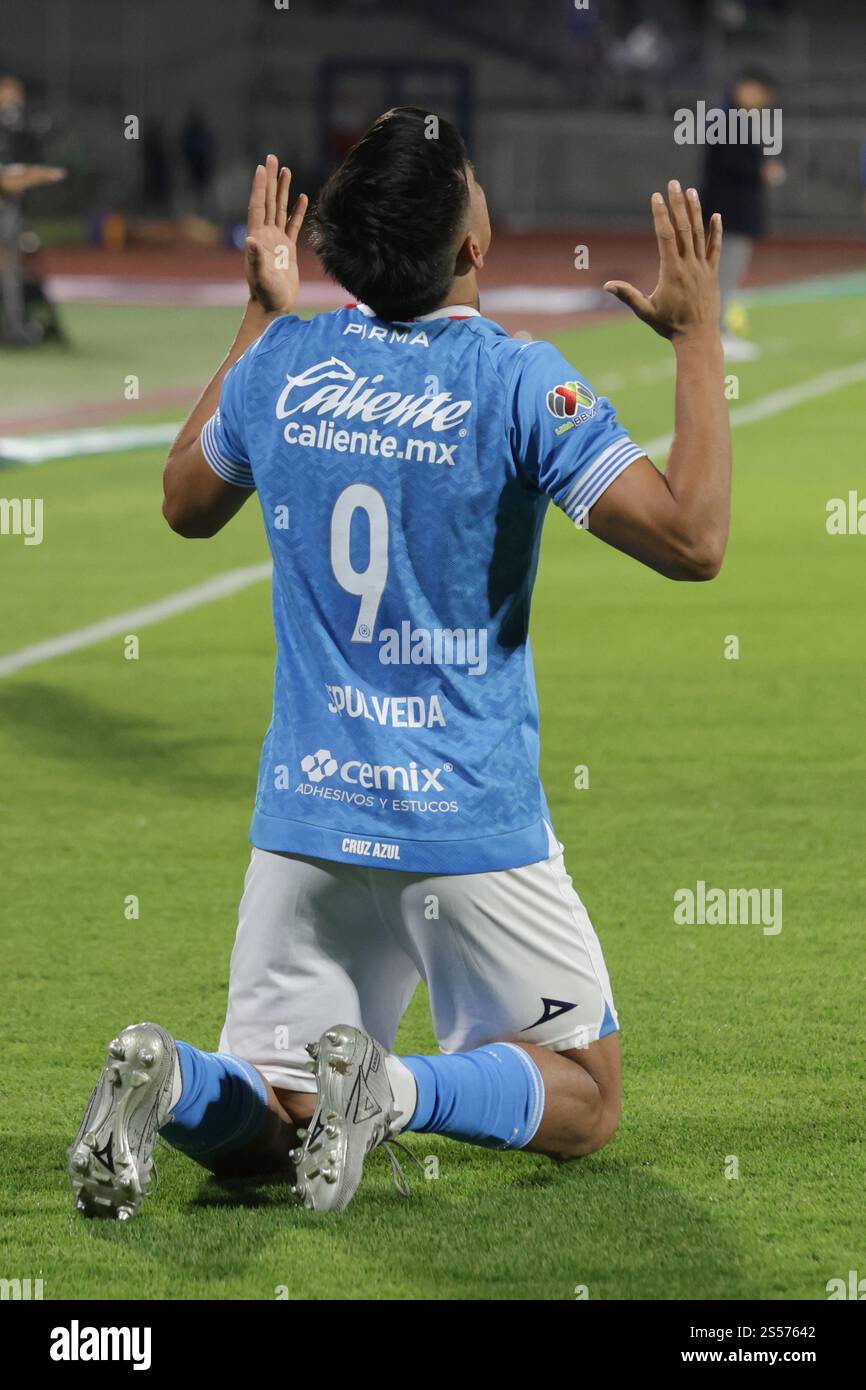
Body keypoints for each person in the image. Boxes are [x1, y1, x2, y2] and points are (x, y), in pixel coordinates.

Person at [68, 109, 730, 1218]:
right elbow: (691, 537)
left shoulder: (285, 361)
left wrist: (259, 312)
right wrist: (697, 337)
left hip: (308, 820)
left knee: (268, 1118)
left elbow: (186, 501)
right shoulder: (520, 381)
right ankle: (395, 1087)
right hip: (463, 822)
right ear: (473, 244)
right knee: (584, 1093)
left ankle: (175, 1076)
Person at [700, 67, 784, 361]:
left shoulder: (731, 116)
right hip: (729, 213)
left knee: (726, 275)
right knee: (723, 275)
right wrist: (761, 171)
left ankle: (717, 333)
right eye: (761, 94)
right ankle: (716, 335)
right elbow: (728, 164)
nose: (763, 101)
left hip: (731, 212)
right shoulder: (727, 118)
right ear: (747, 87)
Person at [0, 73, 65, 345]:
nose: (15, 100)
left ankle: (15, 327)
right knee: (9, 271)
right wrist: (37, 176)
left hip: (8, 211)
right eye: (9, 94)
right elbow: (7, 178)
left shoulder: (16, 130)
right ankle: (14, 328)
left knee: (13, 270)